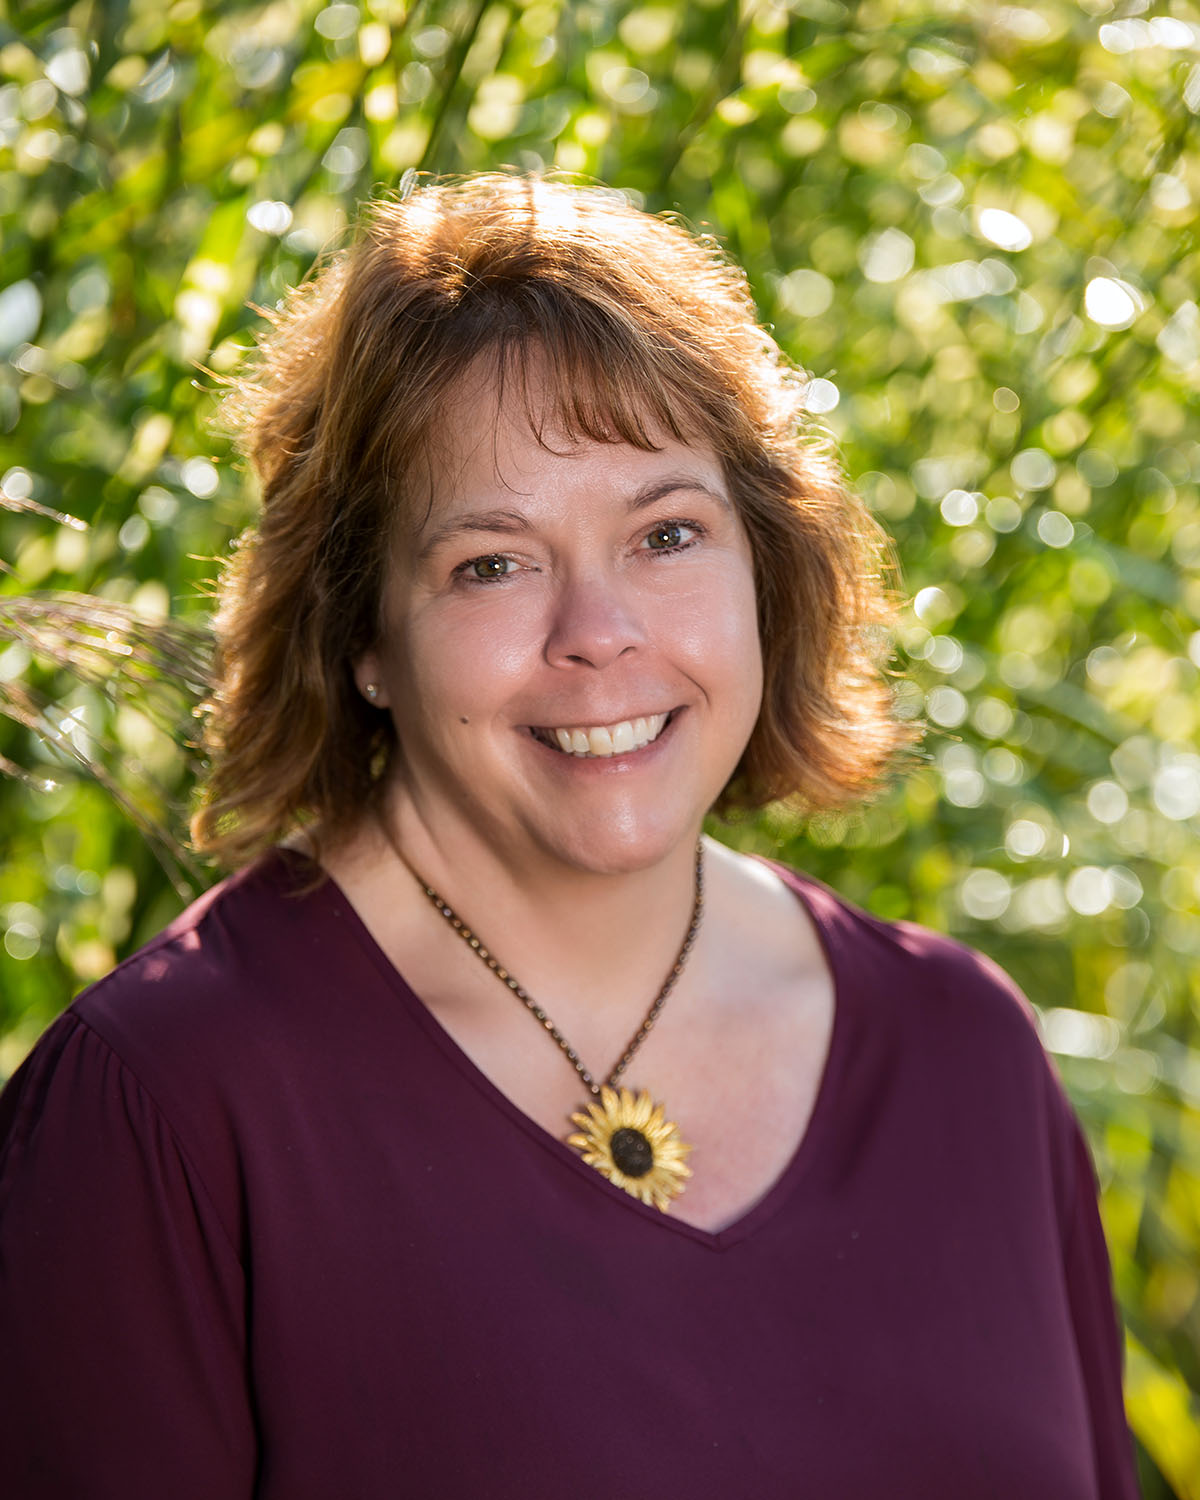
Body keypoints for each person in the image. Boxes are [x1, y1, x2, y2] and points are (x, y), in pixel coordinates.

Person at [0, 173, 1139, 1498]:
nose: (598, 634)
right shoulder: (167, 1110)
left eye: (667, 534)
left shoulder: (965, 1055)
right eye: (492, 563)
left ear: (766, 567)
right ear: (363, 632)